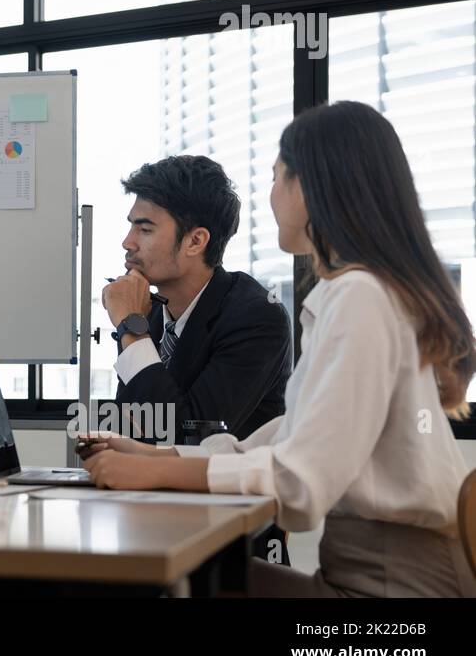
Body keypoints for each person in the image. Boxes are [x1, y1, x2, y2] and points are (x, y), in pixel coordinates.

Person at [82, 102, 476, 597]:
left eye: (276, 178)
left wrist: (159, 467)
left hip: (393, 592)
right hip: (382, 572)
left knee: (157, 585)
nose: (269, 197)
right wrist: (158, 453)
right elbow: (288, 437)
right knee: (165, 578)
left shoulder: (359, 298)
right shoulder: (366, 292)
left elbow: (301, 484)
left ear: (311, 187)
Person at [102, 155, 291, 444]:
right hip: (150, 485)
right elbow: (128, 428)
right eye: (131, 227)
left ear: (195, 241)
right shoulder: (148, 312)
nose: (127, 242)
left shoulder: (256, 316)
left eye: (145, 229)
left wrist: (130, 328)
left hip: (223, 488)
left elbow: (188, 440)